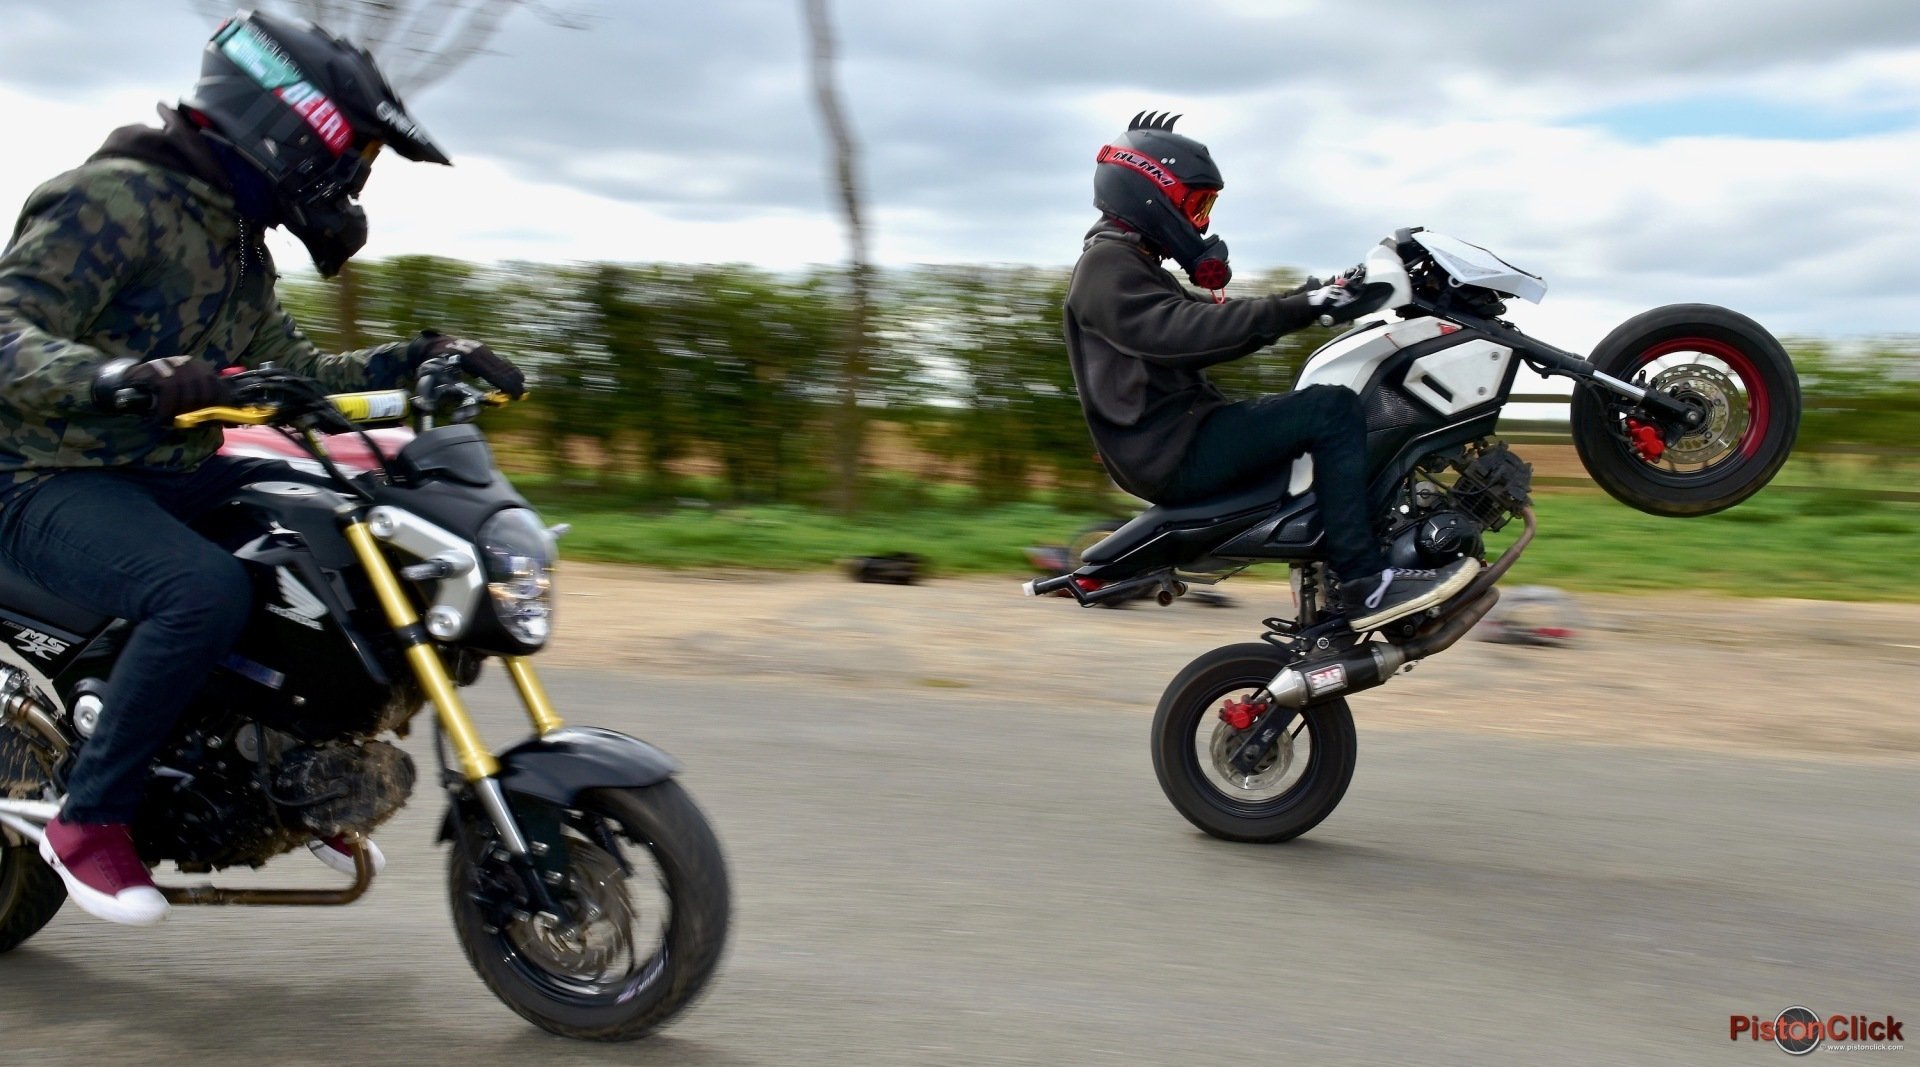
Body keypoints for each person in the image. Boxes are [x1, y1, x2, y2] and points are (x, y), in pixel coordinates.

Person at [0, 11, 525, 926]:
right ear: (291, 126)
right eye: (352, 153)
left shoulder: (238, 242)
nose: (353, 178)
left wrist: (422, 359)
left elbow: (298, 373)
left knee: (334, 529)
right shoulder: (110, 198)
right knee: (198, 589)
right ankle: (90, 819)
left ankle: (278, 769)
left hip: (166, 472)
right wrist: (123, 377)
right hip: (42, 473)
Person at [1063, 112, 1476, 629]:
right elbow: (1189, 331)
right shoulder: (1107, 266)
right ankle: (1362, 581)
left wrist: (1326, 291)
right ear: (1150, 195)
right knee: (1331, 409)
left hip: (1174, 442)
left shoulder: (1129, 266)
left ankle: (1361, 552)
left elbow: (1217, 321)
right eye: (1194, 204)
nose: (1200, 223)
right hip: (1174, 452)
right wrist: (1312, 304)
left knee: (1332, 407)